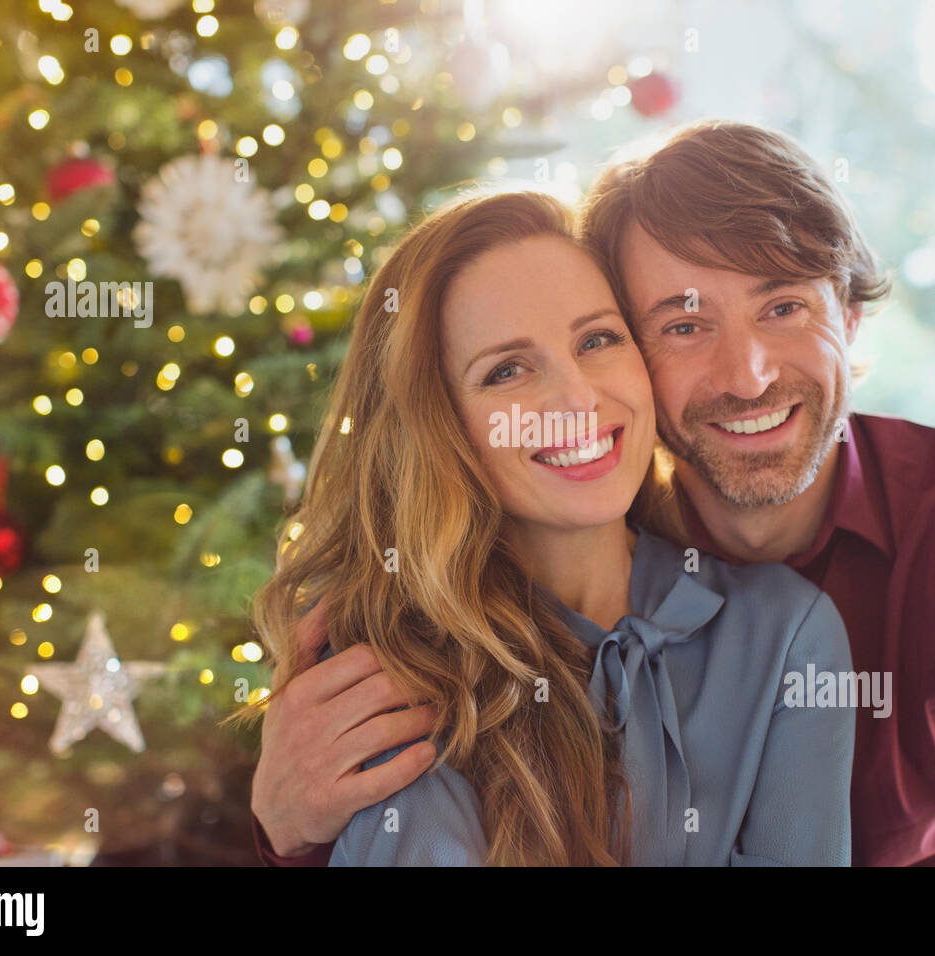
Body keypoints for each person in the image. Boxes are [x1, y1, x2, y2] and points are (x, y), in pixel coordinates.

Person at [252, 120, 935, 867]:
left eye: (783, 306)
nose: (746, 376)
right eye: (683, 323)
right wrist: (288, 829)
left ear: (851, 318)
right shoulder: (533, 551)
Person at [241, 188, 854, 866]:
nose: (577, 399)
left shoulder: (786, 634)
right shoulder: (387, 667)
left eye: (597, 340)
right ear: (440, 425)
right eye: (507, 370)